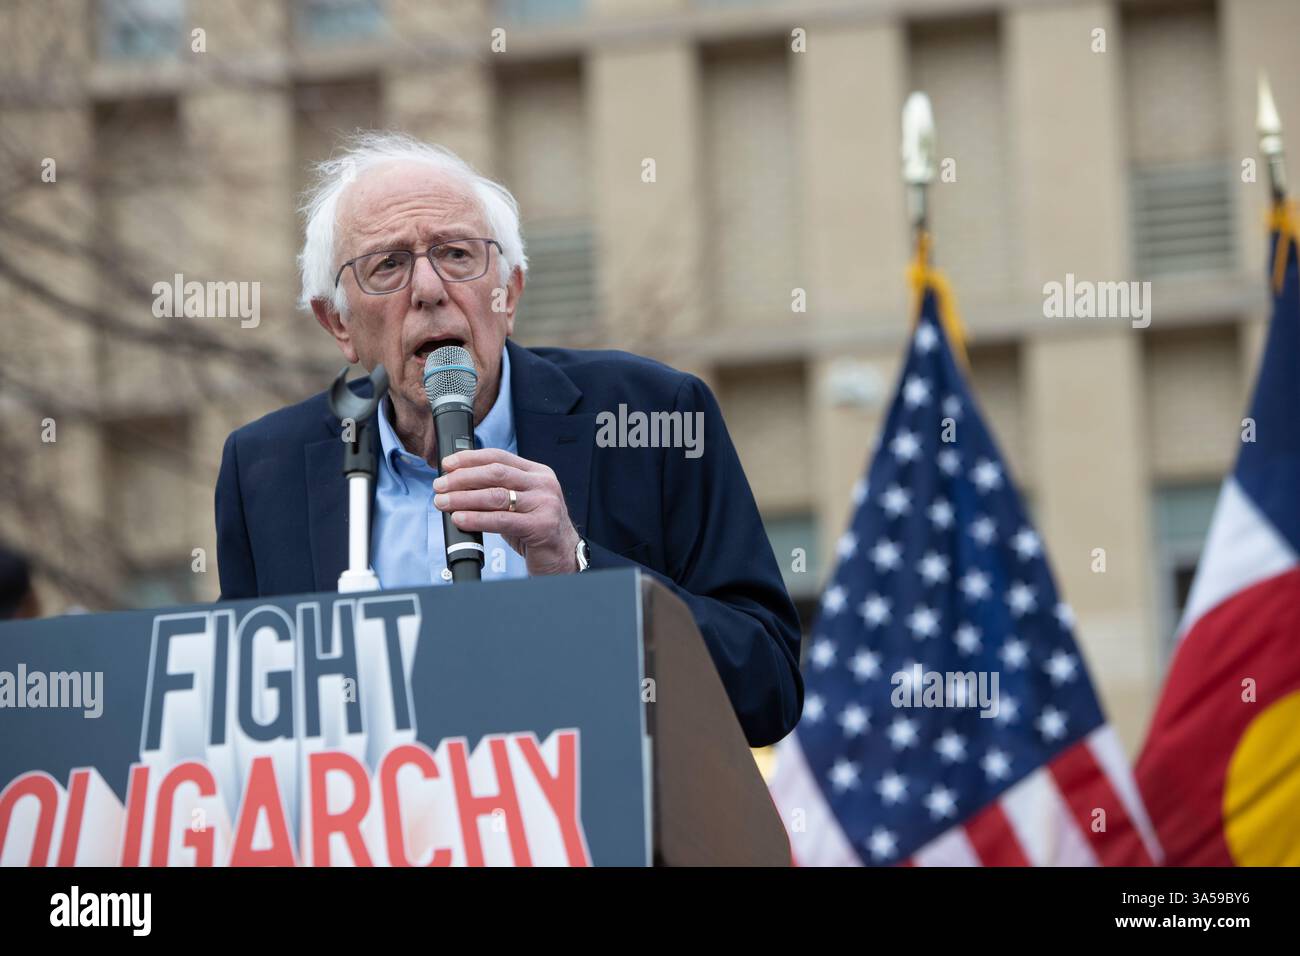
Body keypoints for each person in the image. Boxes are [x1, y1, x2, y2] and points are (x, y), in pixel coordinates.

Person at [214, 132, 802, 746]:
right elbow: (239, 728)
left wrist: (578, 570)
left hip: (600, 833)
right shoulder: (264, 472)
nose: (429, 288)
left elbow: (765, 688)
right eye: (387, 264)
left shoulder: (652, 419)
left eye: (457, 254)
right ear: (337, 322)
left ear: (510, 293)